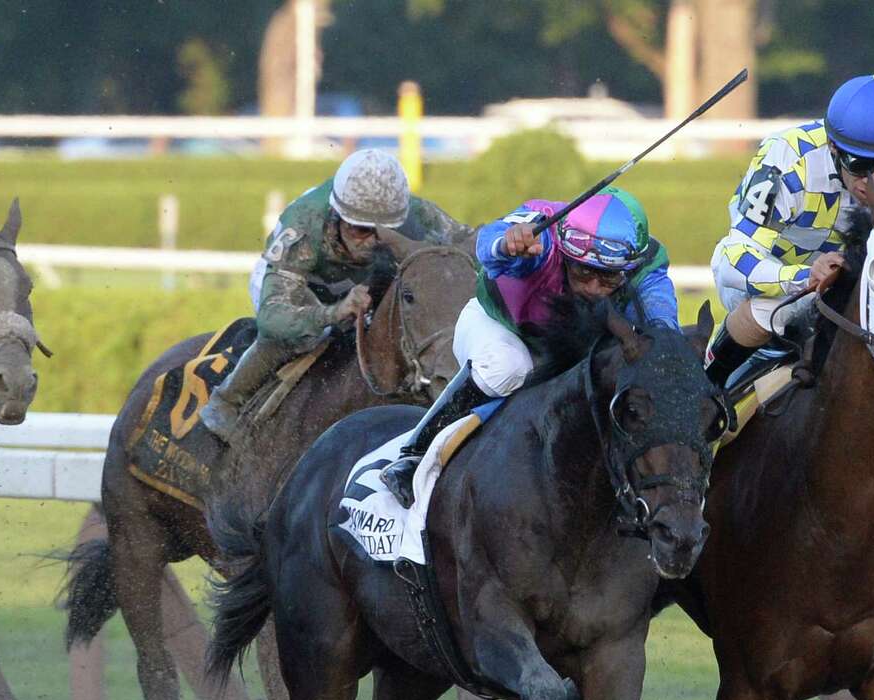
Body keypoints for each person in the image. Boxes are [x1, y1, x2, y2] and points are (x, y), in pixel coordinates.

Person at [706, 73, 874, 486]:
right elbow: (729, 258)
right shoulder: (786, 160)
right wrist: (800, 277)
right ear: (832, 148)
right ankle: (707, 398)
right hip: (775, 283)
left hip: (853, 291)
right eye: (859, 165)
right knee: (772, 314)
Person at [379, 186, 678, 508]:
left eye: (608, 280)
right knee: (509, 367)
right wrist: (507, 244)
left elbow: (663, 327)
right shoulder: (545, 235)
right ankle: (415, 454)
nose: (593, 289)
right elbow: (488, 243)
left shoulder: (647, 267)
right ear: (566, 255)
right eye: (582, 271)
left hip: (573, 344)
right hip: (501, 327)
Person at [199, 148, 474, 442]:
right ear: (337, 216)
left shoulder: (414, 210)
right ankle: (226, 400)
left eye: (384, 230)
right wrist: (334, 312)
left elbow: (470, 242)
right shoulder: (305, 224)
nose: (372, 241)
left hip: (361, 279)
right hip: (298, 285)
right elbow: (272, 317)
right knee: (300, 337)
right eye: (360, 230)